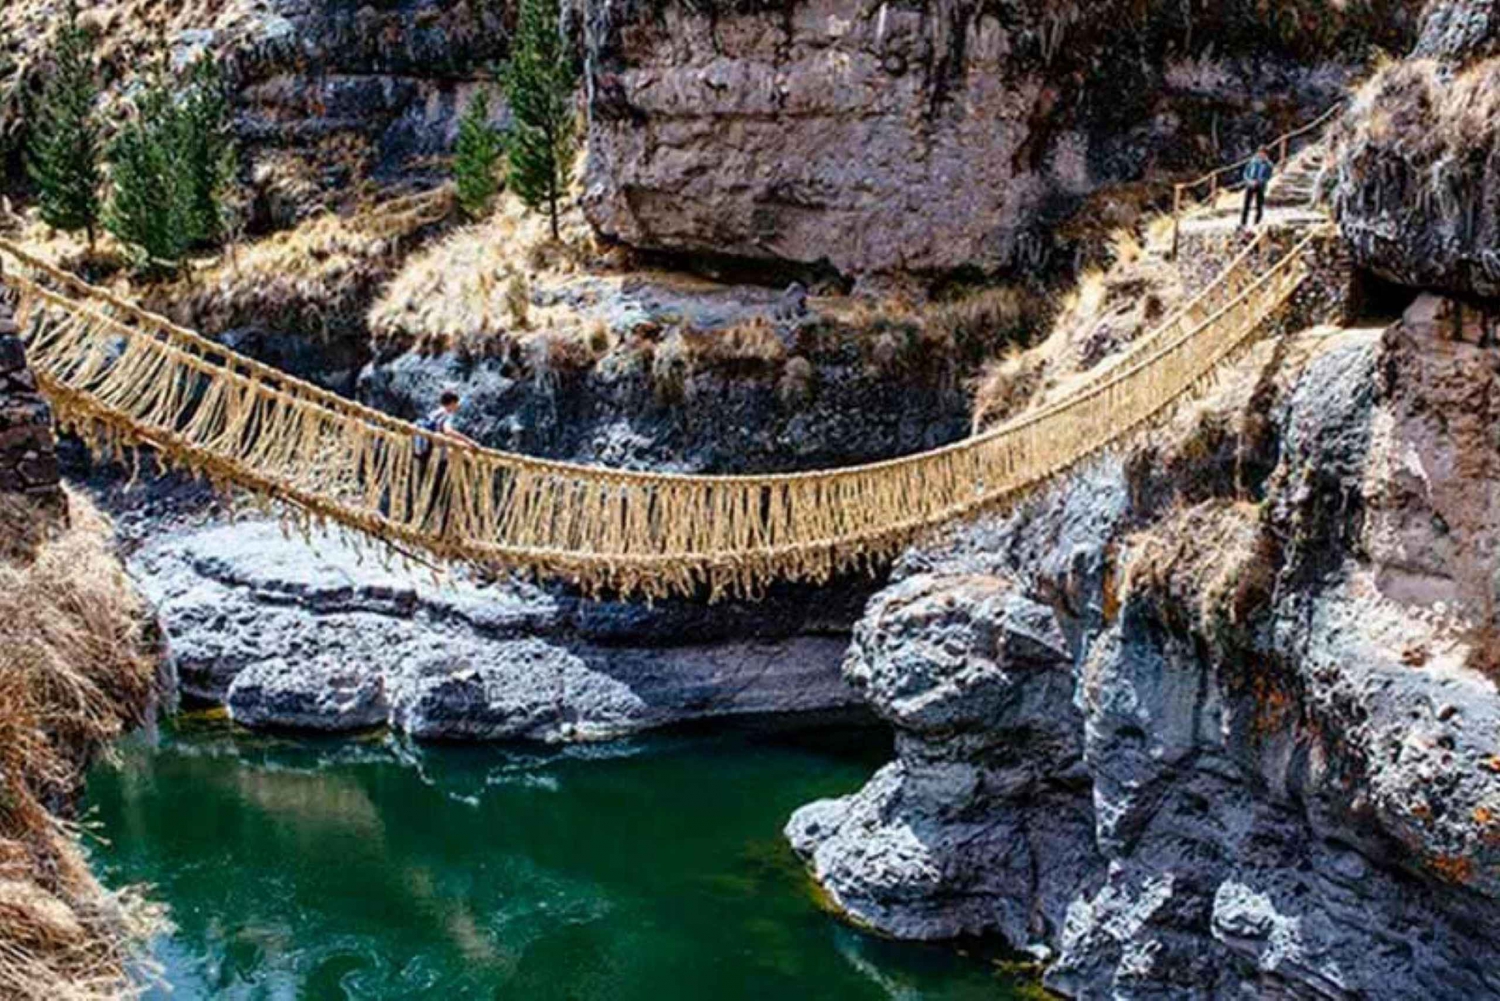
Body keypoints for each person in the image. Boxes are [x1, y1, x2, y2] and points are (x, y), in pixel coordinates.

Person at [411, 390, 477, 532]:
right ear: (452, 403)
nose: (457, 407)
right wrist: (468, 442)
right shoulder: (446, 415)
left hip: (425, 456)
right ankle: (444, 531)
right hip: (438, 460)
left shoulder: (432, 414)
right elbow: (447, 432)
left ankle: (422, 525)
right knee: (446, 493)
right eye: (456, 404)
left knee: (429, 492)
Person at [1240, 147, 1275, 229]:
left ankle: (1257, 222)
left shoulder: (1268, 165)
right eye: (1260, 153)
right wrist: (1249, 180)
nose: (1261, 155)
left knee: (1259, 205)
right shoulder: (1252, 162)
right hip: (1250, 185)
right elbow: (1246, 172)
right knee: (1246, 205)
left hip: (1260, 186)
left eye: (1263, 153)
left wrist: (1259, 182)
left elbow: (1268, 176)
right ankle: (1243, 223)